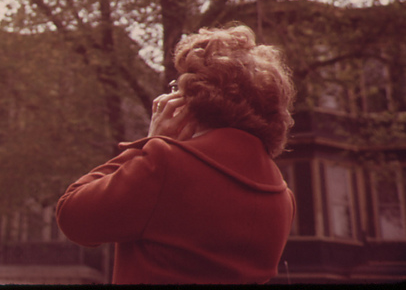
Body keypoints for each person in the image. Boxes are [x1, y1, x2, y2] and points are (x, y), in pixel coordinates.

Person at [56, 24, 296, 285]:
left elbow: (72, 216)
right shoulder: (283, 197)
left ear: (191, 99)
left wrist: (150, 143)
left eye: (177, 86)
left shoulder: (166, 164)